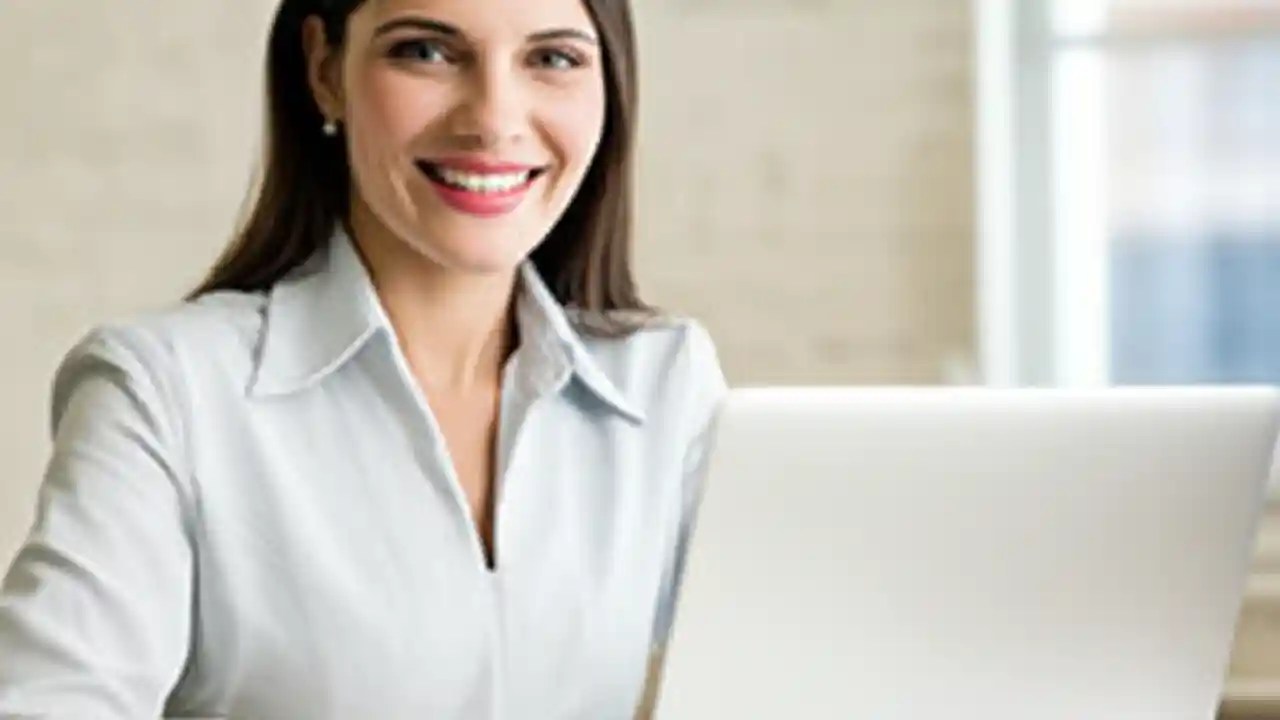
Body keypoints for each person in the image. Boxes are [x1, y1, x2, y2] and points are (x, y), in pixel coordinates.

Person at [0, 0, 725, 717]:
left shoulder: (667, 388)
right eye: (427, 52)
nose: (494, 119)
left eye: (553, 59)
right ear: (325, 70)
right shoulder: (166, 390)